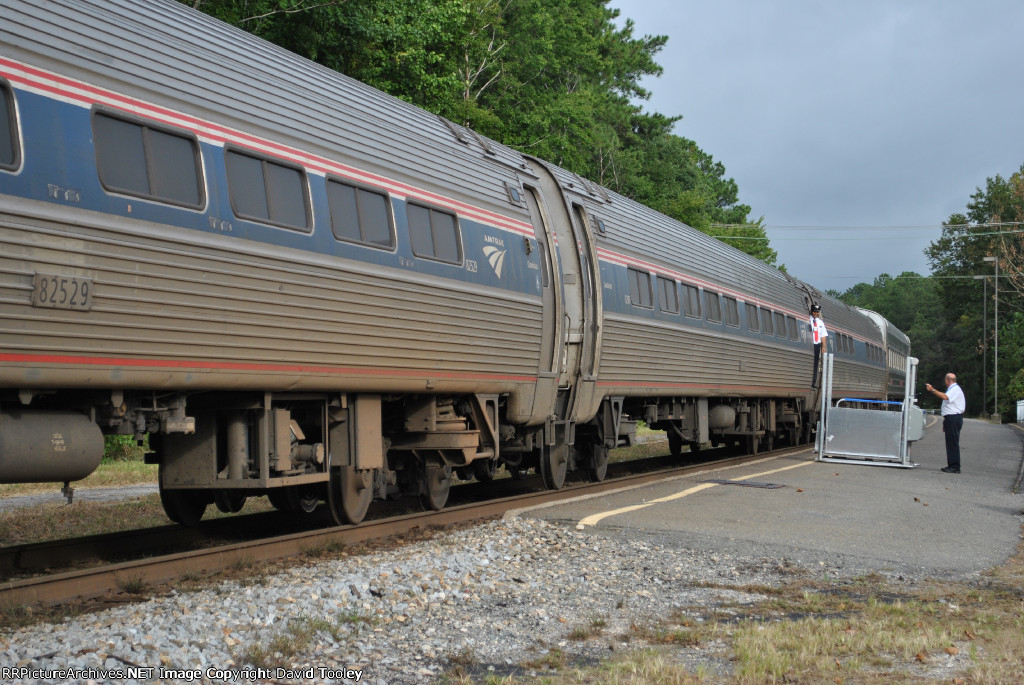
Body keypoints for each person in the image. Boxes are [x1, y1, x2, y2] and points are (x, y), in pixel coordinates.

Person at [925, 373, 966, 473]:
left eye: (945, 380)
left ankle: (955, 466)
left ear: (947, 380)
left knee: (952, 443)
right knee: (951, 442)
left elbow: (945, 397)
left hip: (953, 418)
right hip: (951, 418)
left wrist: (932, 390)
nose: (945, 382)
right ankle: (952, 464)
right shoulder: (953, 389)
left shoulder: (955, 389)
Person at [809, 304, 829, 388]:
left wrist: (824, 346)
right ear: (811, 311)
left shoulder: (820, 323)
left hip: (817, 345)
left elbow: (823, 335)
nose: (815, 314)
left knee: (816, 363)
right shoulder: (808, 320)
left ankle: (814, 381)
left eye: (817, 312)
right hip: (810, 343)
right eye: (814, 312)